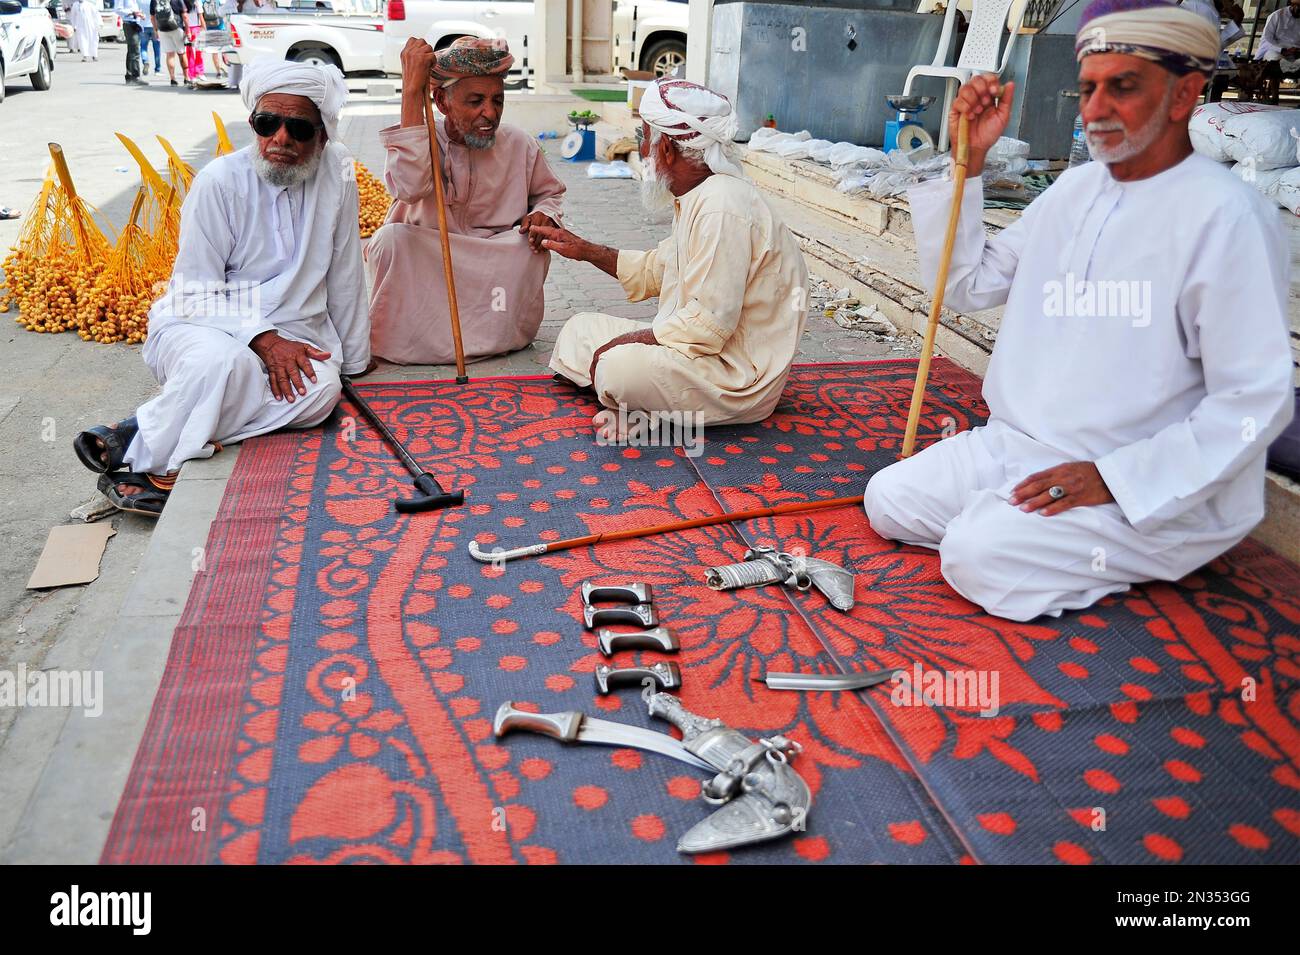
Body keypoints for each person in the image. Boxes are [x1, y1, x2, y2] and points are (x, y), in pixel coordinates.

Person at [862, 0, 1295, 622]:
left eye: (1124, 87)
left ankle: (1120, 542)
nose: (1096, 109)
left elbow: (1253, 401)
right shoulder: (1074, 188)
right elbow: (966, 285)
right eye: (1089, 88)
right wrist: (968, 163)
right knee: (890, 500)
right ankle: (1025, 531)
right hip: (1020, 443)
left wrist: (1114, 478)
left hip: (1136, 475)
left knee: (976, 555)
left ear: (1184, 95)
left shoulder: (1228, 217)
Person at [73, 61, 370, 517]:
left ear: (324, 135)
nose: (281, 139)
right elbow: (193, 292)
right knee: (225, 363)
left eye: (299, 129)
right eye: (267, 123)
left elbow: (346, 268)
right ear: (252, 123)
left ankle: (138, 430)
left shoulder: (339, 170)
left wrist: (355, 360)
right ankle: (142, 460)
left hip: (295, 329)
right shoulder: (218, 182)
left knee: (322, 393)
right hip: (202, 323)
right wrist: (263, 339)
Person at [536, 78, 809, 428]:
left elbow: (709, 325)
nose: (642, 149)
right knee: (578, 329)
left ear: (665, 147)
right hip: (694, 351)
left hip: (734, 375)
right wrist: (586, 250)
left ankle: (632, 399)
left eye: (644, 137)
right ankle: (632, 396)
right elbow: (657, 269)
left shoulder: (721, 206)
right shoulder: (699, 196)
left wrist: (624, 344)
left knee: (618, 367)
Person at [364, 36, 566, 366]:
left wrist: (544, 213)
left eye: (497, 101)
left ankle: (494, 337)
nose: (490, 113)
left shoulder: (519, 143)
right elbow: (409, 188)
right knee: (391, 240)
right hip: (430, 255)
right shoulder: (421, 136)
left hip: (493, 257)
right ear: (442, 102)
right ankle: (412, 341)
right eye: (475, 101)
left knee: (528, 248)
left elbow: (550, 194)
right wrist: (411, 93)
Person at [1255, 0, 1300, 102]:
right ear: (1293, 5)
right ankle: (1275, 96)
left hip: (1295, 53)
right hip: (1275, 50)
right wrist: (1283, 50)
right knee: (1275, 60)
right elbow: (1267, 39)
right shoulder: (1277, 16)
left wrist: (1296, 50)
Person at [151, 0, 187, 86]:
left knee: (170, 54)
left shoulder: (154, 1)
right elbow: (185, 16)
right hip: (177, 27)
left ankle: (172, 79)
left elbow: (152, 17)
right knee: (181, 53)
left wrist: (155, 30)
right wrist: (188, 30)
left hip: (162, 29)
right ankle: (187, 78)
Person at [117, 0, 147, 85]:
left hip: (136, 23)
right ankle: (135, 76)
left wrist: (140, 14)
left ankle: (129, 76)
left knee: (131, 51)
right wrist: (132, 13)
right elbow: (118, 10)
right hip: (128, 24)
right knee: (135, 50)